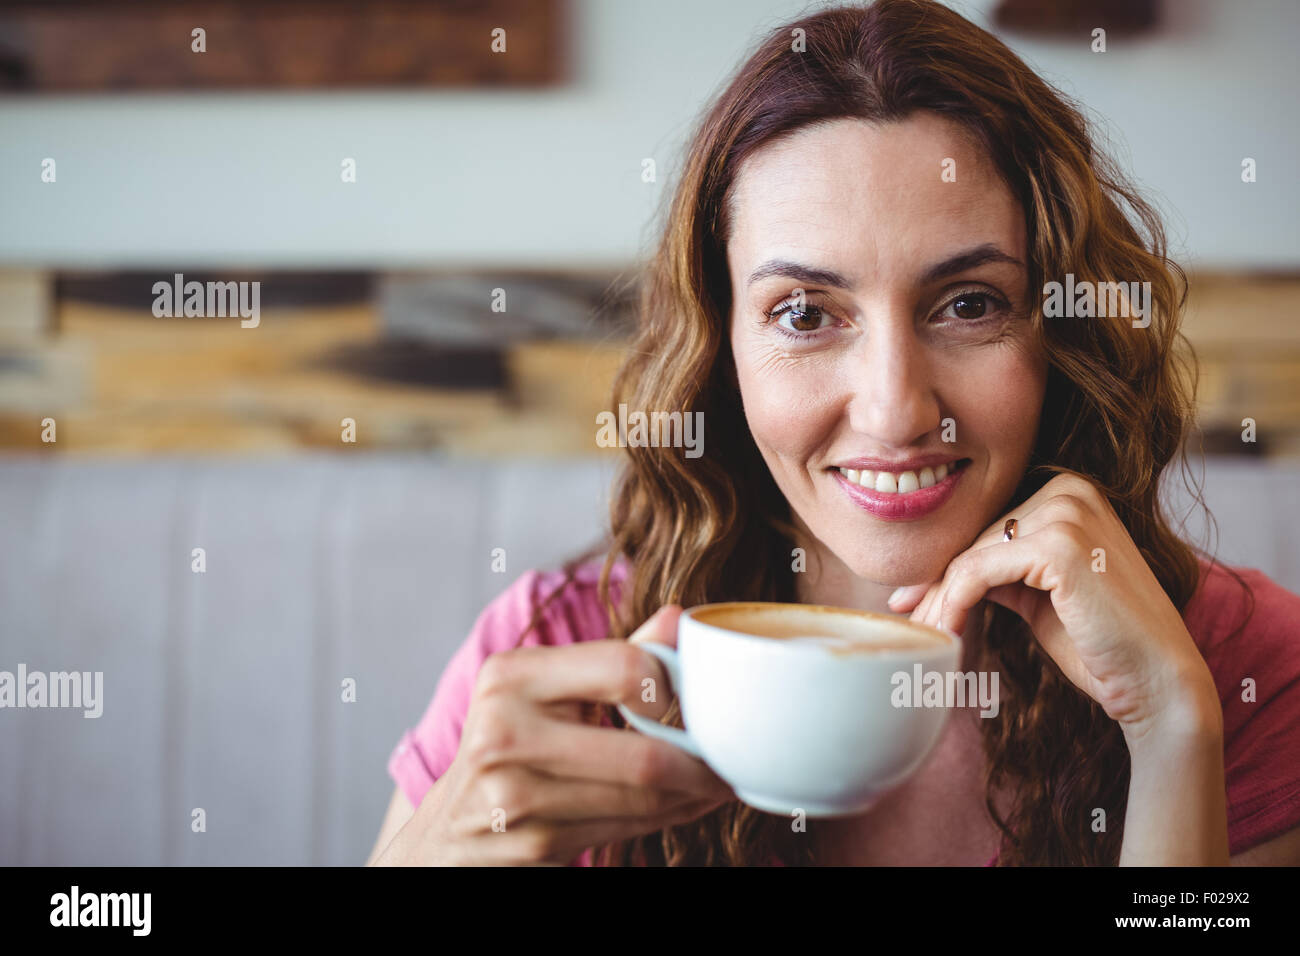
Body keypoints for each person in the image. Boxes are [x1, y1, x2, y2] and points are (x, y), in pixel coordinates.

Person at [367, 0, 1300, 866]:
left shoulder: (1240, 670)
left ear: (1059, 329)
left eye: (970, 304)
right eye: (806, 315)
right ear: (719, 345)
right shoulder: (556, 659)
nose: (896, 410)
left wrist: (1173, 731)